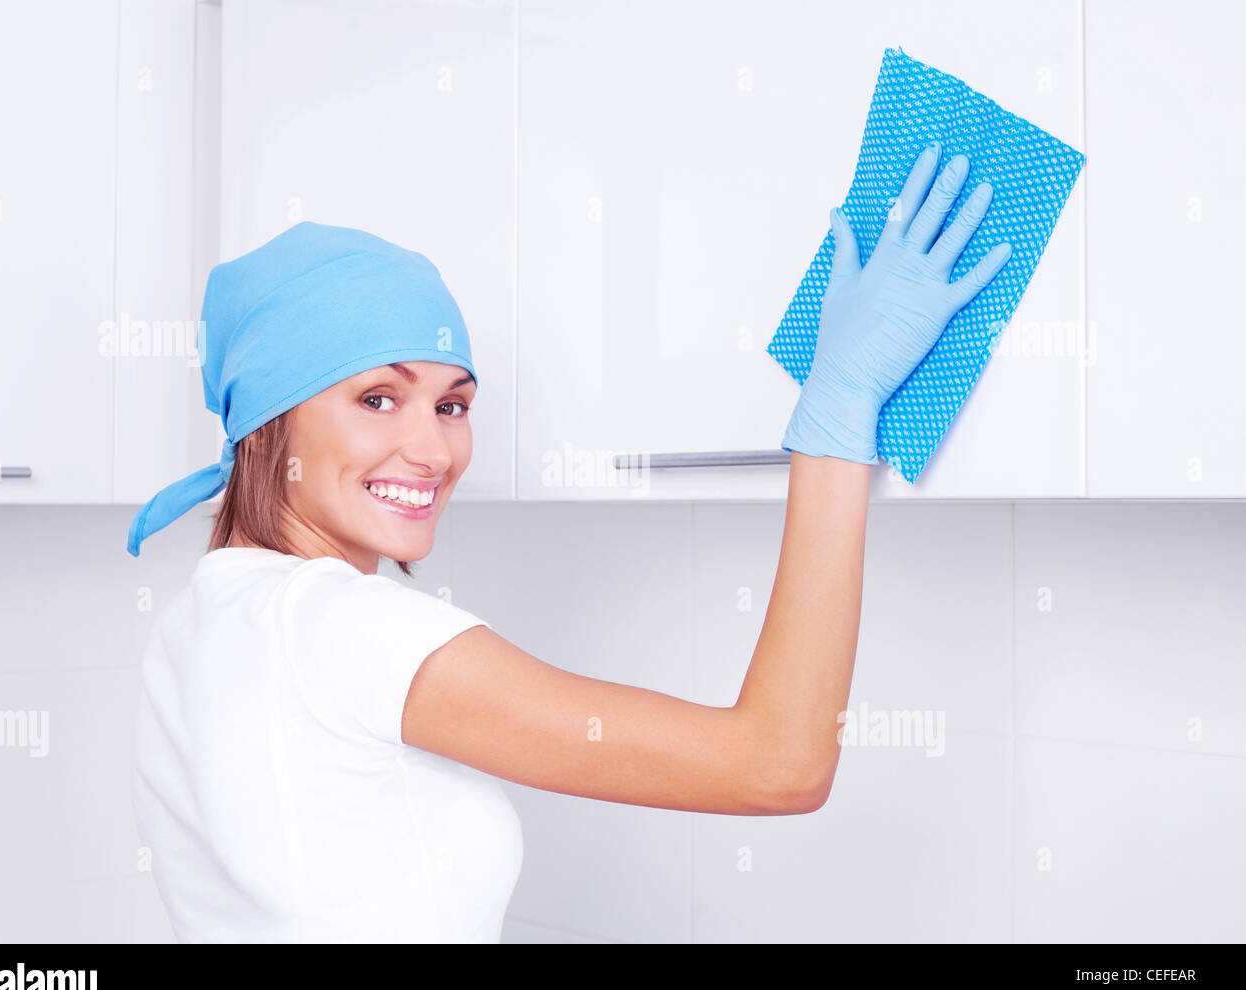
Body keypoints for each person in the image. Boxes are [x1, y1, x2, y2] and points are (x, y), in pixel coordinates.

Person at [127, 141, 1010, 943]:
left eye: (453, 405)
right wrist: (840, 408)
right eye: (377, 398)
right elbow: (778, 764)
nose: (435, 449)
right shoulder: (345, 626)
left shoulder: (196, 619)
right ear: (269, 417)